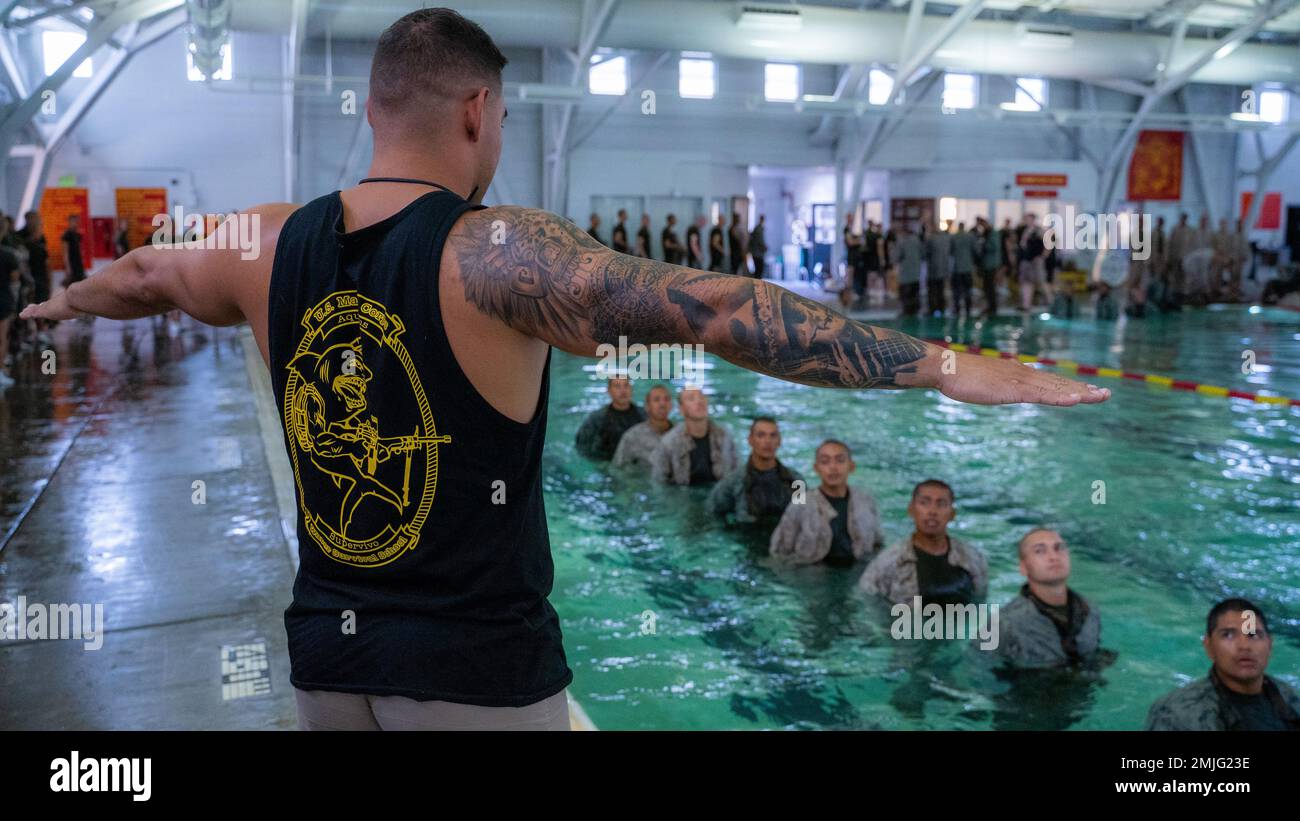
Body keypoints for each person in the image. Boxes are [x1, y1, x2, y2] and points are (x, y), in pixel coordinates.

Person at [21, 7, 1106, 731]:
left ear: (370, 108)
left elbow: (146, 274)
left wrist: (60, 298)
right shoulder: (496, 252)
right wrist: (948, 365)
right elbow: (720, 308)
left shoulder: (261, 242)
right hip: (478, 671)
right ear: (479, 113)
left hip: (326, 653)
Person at [1145, 599, 1300, 731]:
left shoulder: (1289, 698)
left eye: (1254, 635)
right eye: (1229, 635)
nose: (1244, 646)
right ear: (1209, 646)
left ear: (1269, 645)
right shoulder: (1176, 714)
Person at [858, 480, 987, 605]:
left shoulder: (972, 559)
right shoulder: (887, 564)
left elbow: (980, 602)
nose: (932, 511)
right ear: (911, 510)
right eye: (924, 503)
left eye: (941, 504)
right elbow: (868, 606)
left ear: (952, 514)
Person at [997, 529, 1101, 668]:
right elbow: (977, 670)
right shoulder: (1004, 624)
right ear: (1023, 568)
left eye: (1059, 548)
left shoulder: (1089, 610)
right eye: (1040, 551)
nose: (1054, 556)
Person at [769, 439, 883, 567]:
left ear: (851, 466)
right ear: (816, 468)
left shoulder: (865, 501)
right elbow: (780, 550)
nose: (833, 467)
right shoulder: (801, 504)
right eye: (825, 461)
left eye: (840, 460)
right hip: (812, 575)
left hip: (857, 571)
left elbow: (877, 544)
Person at [707, 417, 801, 525]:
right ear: (750, 440)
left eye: (773, 436)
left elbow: (803, 517)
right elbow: (711, 512)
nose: (767, 441)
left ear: (779, 441)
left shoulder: (796, 481)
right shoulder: (733, 482)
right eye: (761, 435)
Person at [650, 388, 737, 485]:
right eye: (691, 399)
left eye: (701, 397)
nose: (699, 401)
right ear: (681, 410)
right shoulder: (669, 444)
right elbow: (659, 484)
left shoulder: (724, 435)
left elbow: (736, 475)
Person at [574, 376, 646, 460]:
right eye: (617, 386)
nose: (623, 391)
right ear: (609, 391)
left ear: (631, 389)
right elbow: (582, 446)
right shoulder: (597, 419)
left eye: (626, 385)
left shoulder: (644, 416)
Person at [612, 383, 673, 468]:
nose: (662, 404)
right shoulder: (632, 437)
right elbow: (617, 469)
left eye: (666, 400)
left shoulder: (681, 433)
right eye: (656, 400)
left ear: (671, 405)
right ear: (647, 406)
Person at [18, 211, 50, 344]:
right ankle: (29, 333)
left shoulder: (40, 239)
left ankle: (40, 330)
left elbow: (46, 261)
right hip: (29, 276)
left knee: (40, 302)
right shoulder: (21, 237)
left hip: (39, 275)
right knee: (27, 304)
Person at [1017, 212, 1048, 312]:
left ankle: (1050, 302)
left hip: (1036, 260)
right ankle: (1026, 305)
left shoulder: (1039, 231)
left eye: (1028, 219)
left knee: (1041, 282)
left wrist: (1042, 257)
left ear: (1033, 219)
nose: (1026, 221)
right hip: (1026, 259)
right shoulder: (1025, 231)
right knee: (1026, 282)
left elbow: (1048, 244)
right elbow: (1023, 245)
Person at [894, 223, 923, 317]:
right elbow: (923, 254)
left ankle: (906, 310)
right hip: (916, 272)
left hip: (905, 273)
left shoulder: (902, 241)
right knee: (915, 293)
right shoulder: (917, 240)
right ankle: (915, 310)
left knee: (905, 294)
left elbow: (896, 256)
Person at [949, 222, 976, 319]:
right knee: (967, 290)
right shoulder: (970, 237)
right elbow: (975, 250)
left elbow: (950, 251)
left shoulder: (954, 237)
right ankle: (968, 309)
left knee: (956, 291)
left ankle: (957, 309)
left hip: (957, 268)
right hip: (967, 268)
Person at [924, 222, 951, 316]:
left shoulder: (930, 239)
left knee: (932, 291)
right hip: (943, 270)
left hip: (933, 270)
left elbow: (925, 253)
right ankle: (941, 308)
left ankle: (932, 309)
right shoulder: (946, 239)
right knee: (941, 291)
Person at [978, 217, 1002, 317]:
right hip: (987, 264)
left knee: (990, 287)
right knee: (987, 287)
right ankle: (990, 306)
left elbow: (994, 246)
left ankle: (993, 307)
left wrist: (983, 244)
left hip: (991, 264)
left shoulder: (992, 234)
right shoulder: (987, 233)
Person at [61, 213, 86, 288]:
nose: (76, 223)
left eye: (77, 221)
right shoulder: (66, 235)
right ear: (70, 222)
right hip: (72, 264)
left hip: (78, 264)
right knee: (72, 285)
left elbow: (79, 249)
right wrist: (68, 267)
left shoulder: (77, 235)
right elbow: (65, 252)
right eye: (74, 221)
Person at [748, 214, 767, 279]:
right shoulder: (759, 229)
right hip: (757, 253)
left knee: (758, 269)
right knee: (759, 270)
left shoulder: (757, 228)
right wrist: (764, 247)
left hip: (756, 252)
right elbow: (759, 241)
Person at [728, 211, 747, 275]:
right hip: (736, 252)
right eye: (738, 218)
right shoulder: (733, 229)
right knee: (735, 269)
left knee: (738, 269)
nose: (739, 220)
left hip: (737, 252)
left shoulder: (735, 228)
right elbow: (738, 240)